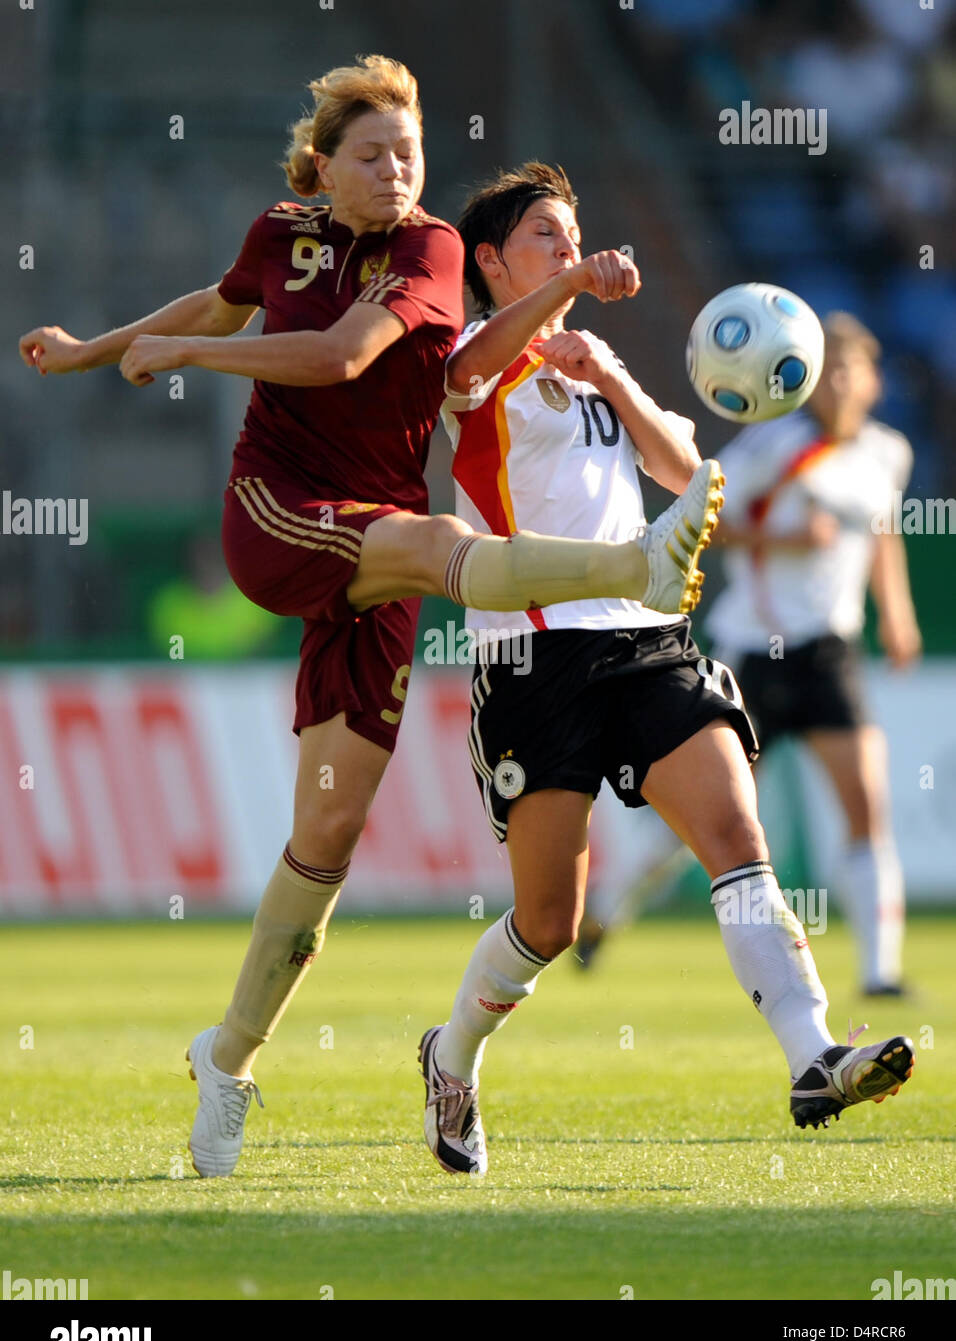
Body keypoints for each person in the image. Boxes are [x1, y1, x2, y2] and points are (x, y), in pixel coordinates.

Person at [18, 60, 718, 1179]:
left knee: (327, 840)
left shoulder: (431, 250)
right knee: (439, 547)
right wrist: (95, 349)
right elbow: (219, 298)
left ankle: (227, 1059)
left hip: (370, 551)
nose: (398, 171)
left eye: (410, 150)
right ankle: (636, 560)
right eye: (373, 153)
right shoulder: (280, 229)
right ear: (320, 166)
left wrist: (186, 354)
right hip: (279, 511)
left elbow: (341, 352)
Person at [418, 164, 914, 1176]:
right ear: (490, 260)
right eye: (546, 238)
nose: (567, 250)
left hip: (644, 638)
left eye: (571, 235)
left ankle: (810, 1054)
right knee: (547, 921)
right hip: (531, 656)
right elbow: (463, 378)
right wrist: (565, 297)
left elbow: (689, 479)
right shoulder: (474, 357)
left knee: (734, 834)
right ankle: (452, 1053)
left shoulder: (581, 357)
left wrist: (607, 372)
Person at [704, 312, 922, 996]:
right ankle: (608, 915)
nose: (837, 382)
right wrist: (787, 540)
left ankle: (880, 973)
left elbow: (882, 536)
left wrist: (898, 615)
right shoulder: (770, 445)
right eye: (825, 369)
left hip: (830, 649)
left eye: (849, 369)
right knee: (719, 816)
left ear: (871, 382)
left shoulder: (888, 452)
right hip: (750, 651)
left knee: (866, 808)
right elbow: (706, 524)